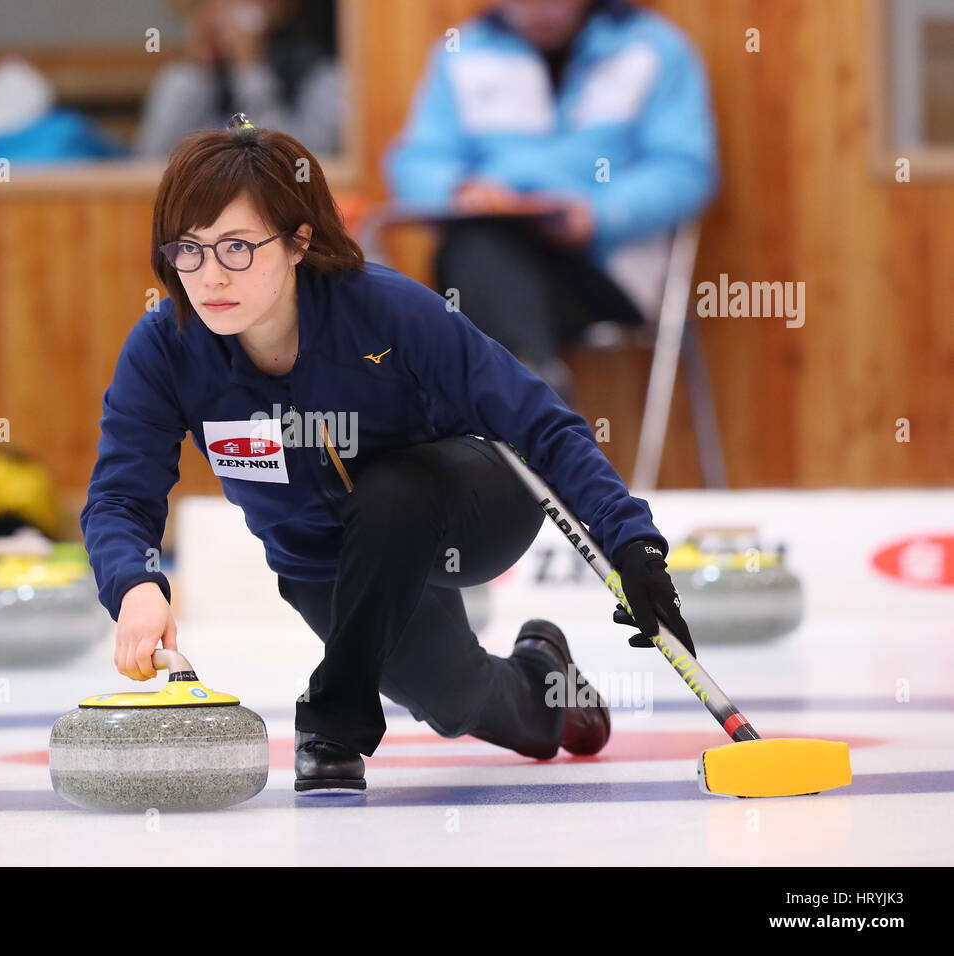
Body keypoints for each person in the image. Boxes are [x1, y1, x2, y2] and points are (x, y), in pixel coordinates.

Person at [82, 116, 695, 793]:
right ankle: (546, 681)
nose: (208, 276)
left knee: (392, 490)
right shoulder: (165, 348)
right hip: (329, 559)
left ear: (296, 242)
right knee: (454, 701)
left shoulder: (388, 313)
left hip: (471, 502)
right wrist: (136, 587)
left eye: (236, 247)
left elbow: (544, 426)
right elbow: (120, 497)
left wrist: (633, 546)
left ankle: (334, 717)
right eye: (187, 251)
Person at [383, 0, 719, 406]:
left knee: (471, 272)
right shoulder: (462, 54)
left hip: (608, 268)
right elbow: (416, 163)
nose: (540, 7)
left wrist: (597, 214)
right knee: (476, 246)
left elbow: (685, 171)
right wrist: (460, 191)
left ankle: (524, 400)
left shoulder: (655, 50)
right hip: (489, 255)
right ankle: (536, 394)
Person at [136, 0, 343, 159]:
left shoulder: (321, 76)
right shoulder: (189, 78)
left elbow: (296, 168)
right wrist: (197, 71)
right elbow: (150, 163)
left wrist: (249, 70)